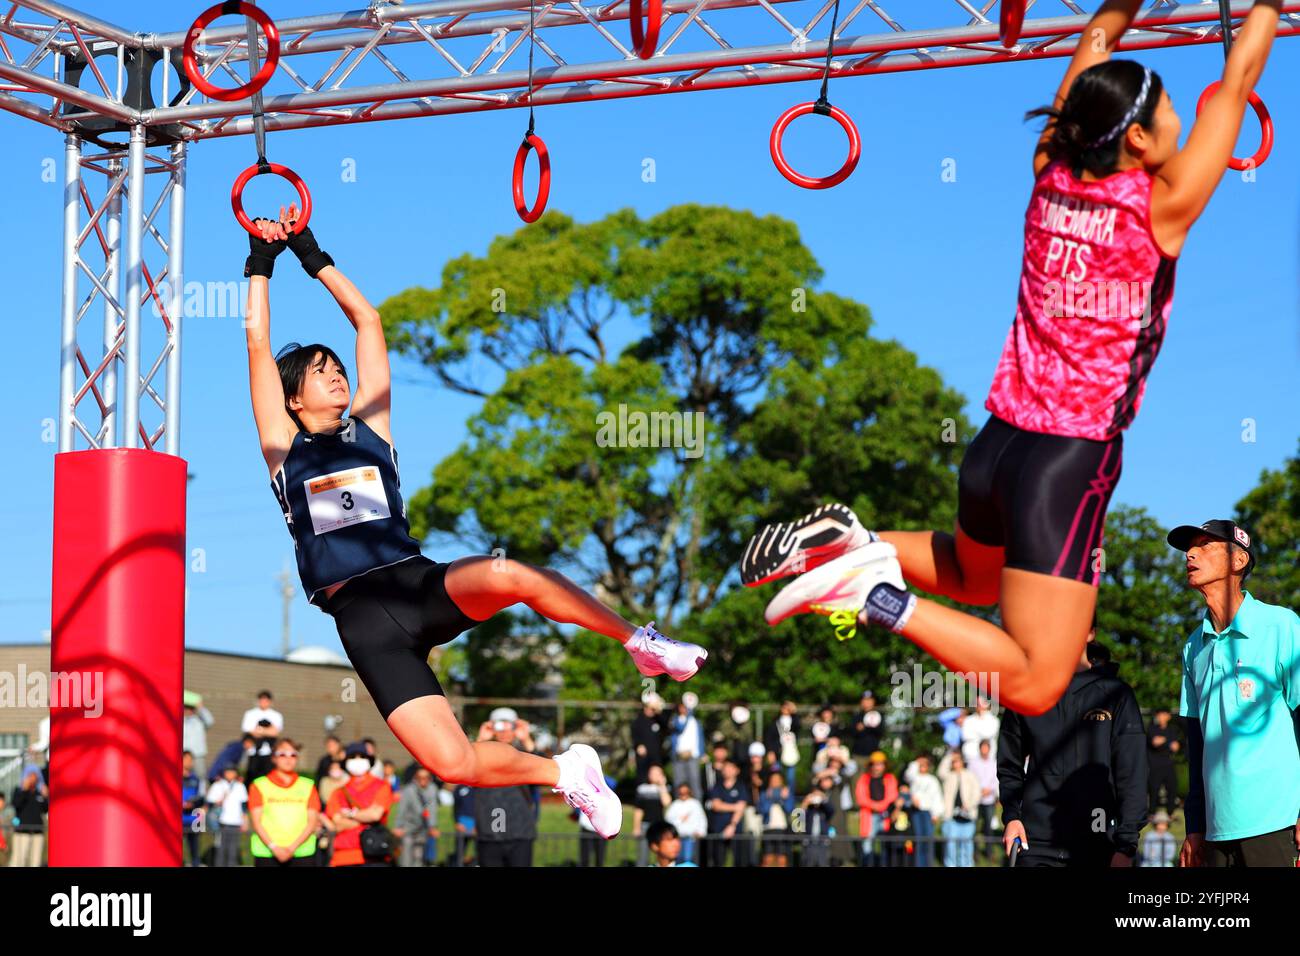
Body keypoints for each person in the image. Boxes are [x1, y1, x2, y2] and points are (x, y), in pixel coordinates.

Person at [739, 0, 1286, 717]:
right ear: (1143, 139)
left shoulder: (1048, 172)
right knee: (1034, 683)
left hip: (998, 446)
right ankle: (869, 593)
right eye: (1173, 112)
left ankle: (855, 540)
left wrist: (1119, 10)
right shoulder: (1162, 204)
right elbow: (1238, 77)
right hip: (1068, 456)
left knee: (972, 577)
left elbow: (1095, 49)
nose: (1184, 119)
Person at [241, 207, 707, 837]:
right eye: (321, 372)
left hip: (415, 584)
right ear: (293, 399)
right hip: (364, 624)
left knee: (509, 572)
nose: (337, 374)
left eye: (338, 367)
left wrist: (309, 252)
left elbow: (368, 321)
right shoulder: (283, 451)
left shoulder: (373, 434)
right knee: (453, 762)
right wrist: (260, 260)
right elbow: (257, 342)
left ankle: (639, 644)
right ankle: (566, 773)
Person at [1169, 520, 1300, 867]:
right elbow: (1196, 744)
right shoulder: (1192, 647)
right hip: (1215, 828)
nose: (1190, 554)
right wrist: (1194, 826)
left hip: (1277, 820)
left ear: (1238, 561)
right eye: (1188, 548)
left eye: (1206, 545)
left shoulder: (1282, 626)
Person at [998, 635, 1147, 866]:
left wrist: (1126, 844)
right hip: (1034, 844)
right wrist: (1011, 817)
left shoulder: (1117, 694)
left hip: (1098, 845)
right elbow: (1009, 763)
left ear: (1091, 632)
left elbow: (1132, 772)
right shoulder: (1026, 690)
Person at [471, 713, 539, 867]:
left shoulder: (524, 756)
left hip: (519, 833)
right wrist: (481, 740)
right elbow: (466, 769)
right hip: (489, 833)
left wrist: (526, 739)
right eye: (499, 726)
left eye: (509, 726)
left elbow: (542, 772)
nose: (504, 731)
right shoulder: (483, 755)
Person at [248, 739, 320, 868]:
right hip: (267, 853)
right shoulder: (259, 785)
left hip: (301, 853)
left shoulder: (308, 786)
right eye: (282, 754)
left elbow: (312, 822)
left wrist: (292, 848)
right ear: (273, 758)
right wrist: (274, 847)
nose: (288, 759)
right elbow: (256, 822)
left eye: (293, 754)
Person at [325, 742, 393, 866]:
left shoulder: (381, 786)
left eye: (362, 757)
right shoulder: (338, 792)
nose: (357, 760)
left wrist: (349, 814)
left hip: (374, 854)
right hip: (343, 856)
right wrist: (365, 819)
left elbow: (375, 815)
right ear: (345, 762)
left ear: (369, 761)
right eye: (352, 757)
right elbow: (336, 823)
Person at [855, 751, 897, 867]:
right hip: (869, 815)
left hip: (885, 816)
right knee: (867, 843)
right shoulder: (864, 779)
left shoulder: (890, 778)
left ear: (884, 765)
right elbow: (861, 798)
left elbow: (892, 796)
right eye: (875, 764)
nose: (877, 767)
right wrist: (876, 806)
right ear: (871, 765)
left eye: (880, 764)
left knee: (884, 843)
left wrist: (882, 806)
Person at [939, 751, 980, 868]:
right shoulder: (948, 775)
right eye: (953, 761)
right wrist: (949, 756)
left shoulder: (970, 775)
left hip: (967, 817)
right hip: (951, 817)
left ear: (962, 762)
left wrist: (969, 805)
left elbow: (976, 793)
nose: (955, 763)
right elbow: (941, 771)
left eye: (957, 760)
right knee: (950, 847)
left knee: (966, 847)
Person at [204, 764, 249, 867]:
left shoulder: (240, 786)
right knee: (220, 848)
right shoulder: (218, 785)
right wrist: (218, 802)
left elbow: (244, 806)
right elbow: (209, 803)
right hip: (221, 823)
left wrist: (245, 821)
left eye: (232, 771)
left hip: (236, 822)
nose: (230, 774)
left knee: (233, 849)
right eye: (228, 771)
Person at [704, 759, 747, 867]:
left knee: (739, 861)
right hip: (718, 829)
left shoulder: (741, 787)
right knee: (718, 861)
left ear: (736, 770)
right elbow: (716, 806)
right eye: (725, 767)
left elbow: (741, 808)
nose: (727, 770)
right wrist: (735, 807)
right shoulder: (716, 786)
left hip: (736, 831)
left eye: (730, 767)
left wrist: (732, 825)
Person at [903, 754, 943, 868]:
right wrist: (916, 762)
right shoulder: (914, 777)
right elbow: (908, 774)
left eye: (925, 765)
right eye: (921, 765)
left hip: (928, 813)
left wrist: (936, 814)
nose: (922, 767)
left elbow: (937, 797)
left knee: (928, 841)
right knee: (918, 840)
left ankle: (928, 864)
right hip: (916, 812)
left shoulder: (932, 780)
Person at [394, 767, 440, 867]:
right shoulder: (409, 790)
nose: (423, 780)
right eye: (420, 777)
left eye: (426, 777)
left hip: (423, 828)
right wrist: (398, 826)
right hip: (408, 827)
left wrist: (433, 826)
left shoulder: (432, 789)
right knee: (406, 858)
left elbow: (432, 809)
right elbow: (402, 809)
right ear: (416, 778)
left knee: (419, 857)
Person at [633, 764, 672, 867]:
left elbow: (667, 803)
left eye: (657, 773)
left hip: (660, 827)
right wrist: (636, 827)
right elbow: (638, 810)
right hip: (645, 825)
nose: (653, 775)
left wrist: (662, 786)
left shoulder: (665, 788)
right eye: (652, 772)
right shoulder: (642, 788)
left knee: (662, 854)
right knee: (643, 855)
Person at [241, 691, 283, 784]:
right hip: (253, 751)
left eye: (266, 700)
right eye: (262, 700)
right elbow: (248, 729)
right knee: (252, 776)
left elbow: (275, 732)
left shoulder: (276, 715)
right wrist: (267, 731)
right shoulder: (250, 714)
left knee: (268, 777)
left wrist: (260, 730)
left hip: (269, 751)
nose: (263, 702)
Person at [1145, 707, 1180, 814]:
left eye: (1164, 714)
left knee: (1172, 787)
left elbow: (1176, 746)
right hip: (1155, 764)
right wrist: (1168, 742)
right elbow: (1155, 742)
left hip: (1168, 763)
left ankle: (1170, 812)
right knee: (1154, 789)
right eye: (1159, 715)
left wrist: (1165, 741)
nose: (1161, 717)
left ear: (1168, 716)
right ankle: (1152, 812)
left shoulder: (1172, 729)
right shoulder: (1152, 729)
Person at [969, 739, 1000, 859]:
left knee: (988, 827)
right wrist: (979, 790)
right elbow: (972, 779)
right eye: (983, 747)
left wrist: (990, 790)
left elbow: (995, 779)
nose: (985, 750)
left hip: (989, 799)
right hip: (976, 800)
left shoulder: (993, 763)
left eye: (986, 747)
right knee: (975, 827)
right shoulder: (973, 763)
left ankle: (989, 852)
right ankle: (974, 852)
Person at [668, 697, 705, 799]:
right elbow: (681, 727)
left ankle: (698, 806)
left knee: (694, 783)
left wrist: (702, 753)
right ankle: (678, 807)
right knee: (678, 783)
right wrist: (688, 716)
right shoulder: (675, 720)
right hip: (679, 756)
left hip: (692, 756)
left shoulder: (696, 722)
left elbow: (700, 738)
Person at [757, 769, 795, 866]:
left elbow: (790, 809)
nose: (775, 782)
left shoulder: (786, 793)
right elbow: (762, 810)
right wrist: (769, 798)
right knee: (767, 859)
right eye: (773, 779)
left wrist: (784, 799)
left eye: (777, 779)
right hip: (768, 828)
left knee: (782, 859)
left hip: (782, 829)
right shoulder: (764, 794)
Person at [9, 771, 48, 867]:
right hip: (22, 832)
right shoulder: (18, 791)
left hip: (37, 832)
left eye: (35, 777)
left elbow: (45, 809)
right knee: (19, 860)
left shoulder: (39, 794)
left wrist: (46, 797)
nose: (33, 780)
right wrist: (24, 790)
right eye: (30, 777)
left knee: (36, 861)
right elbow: (16, 804)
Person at [665, 782, 707, 865]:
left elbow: (702, 819)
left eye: (686, 793)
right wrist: (679, 820)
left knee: (688, 859)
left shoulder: (695, 804)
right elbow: (668, 820)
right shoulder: (675, 805)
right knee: (678, 859)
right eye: (681, 793)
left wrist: (701, 831)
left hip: (691, 838)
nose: (683, 795)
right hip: (678, 838)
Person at [764, 700, 802, 791]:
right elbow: (769, 738)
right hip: (777, 753)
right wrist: (770, 752)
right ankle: (777, 798)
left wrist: (794, 711)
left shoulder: (794, 721)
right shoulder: (775, 722)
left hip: (790, 754)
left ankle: (790, 799)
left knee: (790, 778)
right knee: (776, 777)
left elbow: (798, 726)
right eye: (784, 707)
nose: (786, 709)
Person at [632, 695, 666, 785]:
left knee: (657, 780)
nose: (651, 710)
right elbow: (634, 736)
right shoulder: (638, 721)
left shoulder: (657, 720)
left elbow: (666, 727)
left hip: (655, 758)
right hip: (643, 758)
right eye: (649, 708)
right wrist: (638, 745)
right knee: (642, 781)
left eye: (653, 709)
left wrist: (658, 710)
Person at [182, 693, 215, 783]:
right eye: (186, 708)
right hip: (183, 754)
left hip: (197, 755)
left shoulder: (199, 721)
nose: (188, 710)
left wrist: (200, 707)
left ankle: (201, 795)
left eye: (190, 708)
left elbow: (210, 720)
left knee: (200, 776)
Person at [181, 751, 205, 866]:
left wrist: (193, 803)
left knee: (195, 850)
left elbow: (201, 798)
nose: (190, 763)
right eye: (187, 759)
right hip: (179, 820)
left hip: (193, 820)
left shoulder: (195, 779)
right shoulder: (174, 776)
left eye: (191, 760)